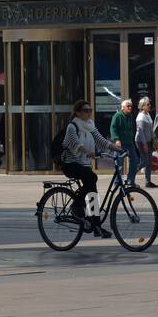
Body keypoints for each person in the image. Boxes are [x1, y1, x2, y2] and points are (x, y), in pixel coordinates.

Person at [60, 99, 119, 237]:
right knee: (92, 177)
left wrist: (115, 147)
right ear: (78, 112)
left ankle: (96, 226)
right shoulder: (72, 126)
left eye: (90, 110)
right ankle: (76, 206)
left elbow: (100, 140)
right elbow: (75, 144)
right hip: (70, 164)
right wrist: (87, 151)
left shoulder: (90, 126)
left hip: (84, 165)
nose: (89, 113)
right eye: (86, 110)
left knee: (93, 194)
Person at [110, 98, 139, 187]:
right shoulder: (117, 116)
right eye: (128, 106)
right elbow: (113, 128)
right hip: (120, 144)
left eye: (131, 106)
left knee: (135, 161)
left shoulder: (130, 116)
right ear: (123, 107)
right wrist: (116, 139)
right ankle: (117, 183)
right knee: (119, 165)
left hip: (129, 144)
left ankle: (130, 181)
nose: (130, 108)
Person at [135, 96, 157, 189]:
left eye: (149, 104)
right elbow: (141, 132)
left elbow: (150, 129)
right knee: (145, 161)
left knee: (149, 162)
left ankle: (148, 181)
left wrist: (154, 138)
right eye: (147, 104)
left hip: (148, 141)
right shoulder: (141, 116)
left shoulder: (147, 114)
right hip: (141, 141)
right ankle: (131, 174)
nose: (149, 106)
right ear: (142, 106)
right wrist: (144, 144)